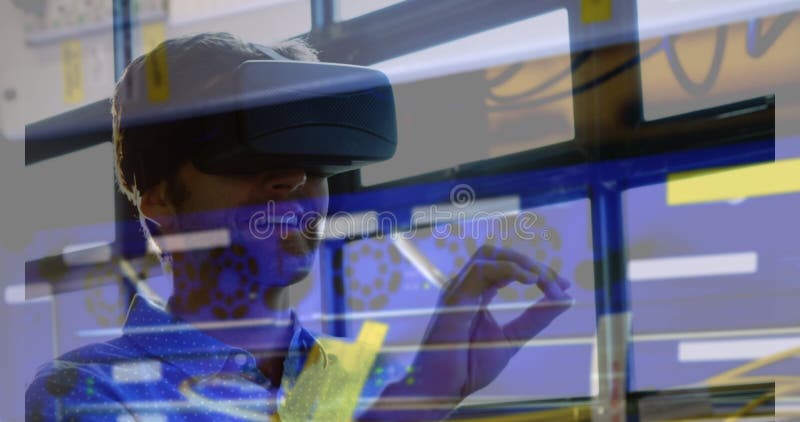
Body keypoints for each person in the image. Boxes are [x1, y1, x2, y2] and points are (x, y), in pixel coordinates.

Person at [26, 32, 573, 421]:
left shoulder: (372, 381)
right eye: (245, 157)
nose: (292, 180)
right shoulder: (86, 392)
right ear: (160, 202)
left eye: (313, 162)